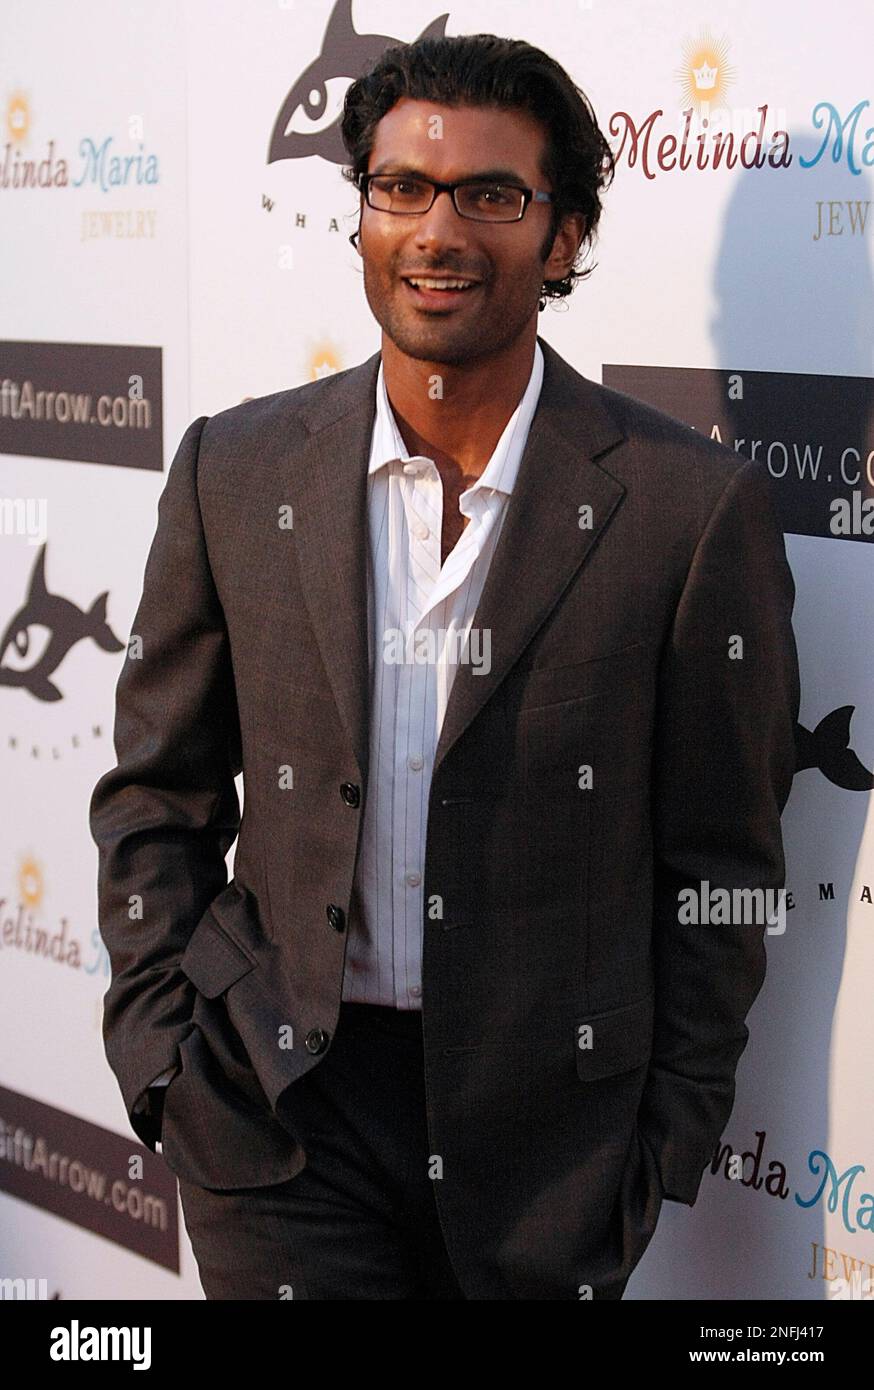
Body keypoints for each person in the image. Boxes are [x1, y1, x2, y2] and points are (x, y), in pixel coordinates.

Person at [89, 32, 800, 1300]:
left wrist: (666, 1135)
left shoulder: (688, 514)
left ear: (563, 234)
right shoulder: (233, 474)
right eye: (401, 188)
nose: (436, 229)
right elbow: (156, 793)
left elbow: (723, 868)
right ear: (361, 213)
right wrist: (163, 1061)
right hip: (278, 1112)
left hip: (550, 1151)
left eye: (490, 194)